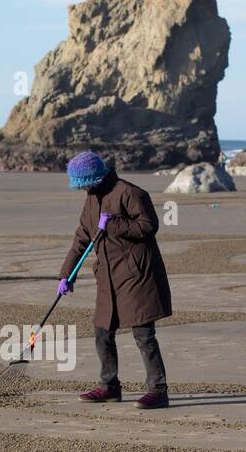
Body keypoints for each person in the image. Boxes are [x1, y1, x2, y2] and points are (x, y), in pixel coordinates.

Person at [59, 151, 172, 409]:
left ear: (94, 178)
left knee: (144, 334)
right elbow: (82, 239)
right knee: (102, 332)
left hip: (136, 275)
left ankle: (158, 390)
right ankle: (109, 387)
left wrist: (114, 224)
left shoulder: (131, 193)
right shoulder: (91, 198)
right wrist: (67, 274)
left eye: (83, 183)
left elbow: (148, 226)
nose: (81, 189)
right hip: (107, 276)